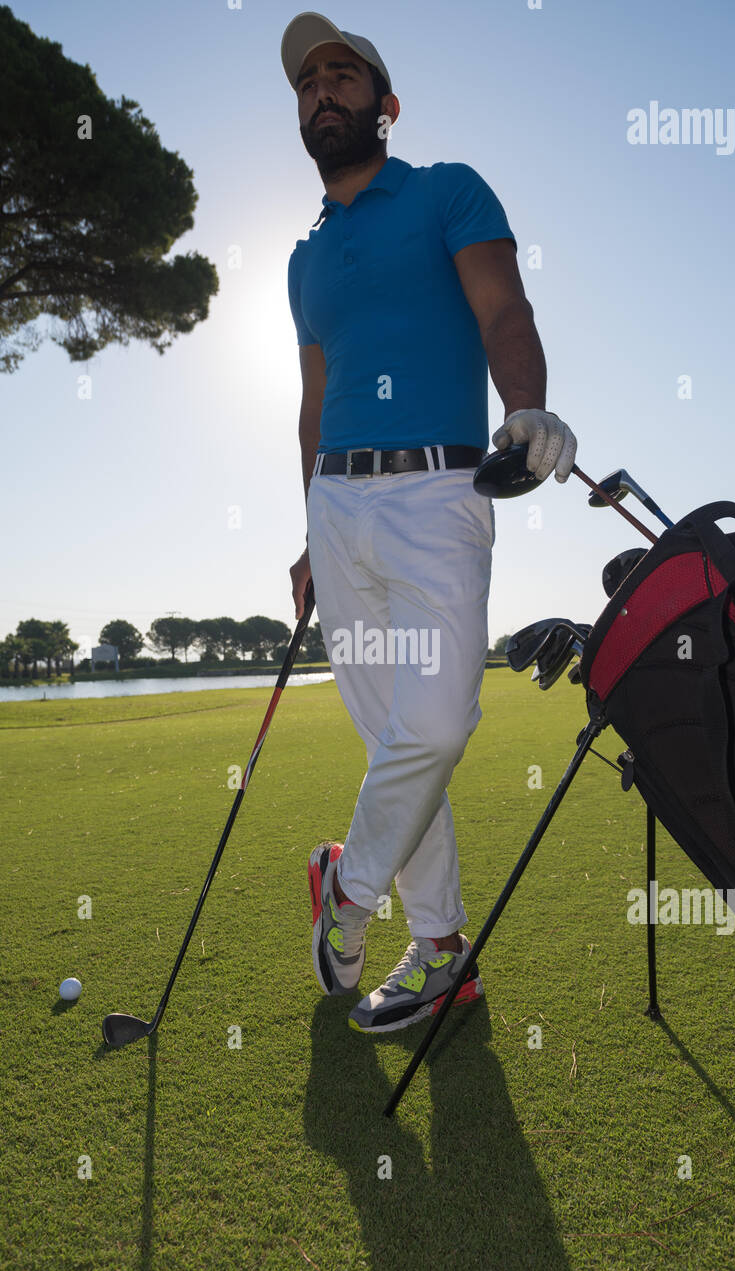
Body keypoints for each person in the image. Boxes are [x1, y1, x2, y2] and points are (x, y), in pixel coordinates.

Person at [281, 11, 577, 1034]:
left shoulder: (448, 188)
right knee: (395, 743)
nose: (324, 91)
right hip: (337, 509)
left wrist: (526, 407)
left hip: (439, 494)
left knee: (439, 724)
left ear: (384, 104)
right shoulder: (302, 259)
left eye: (343, 74)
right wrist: (307, 533)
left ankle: (349, 894)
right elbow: (314, 403)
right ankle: (444, 950)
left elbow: (504, 311)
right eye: (309, 83)